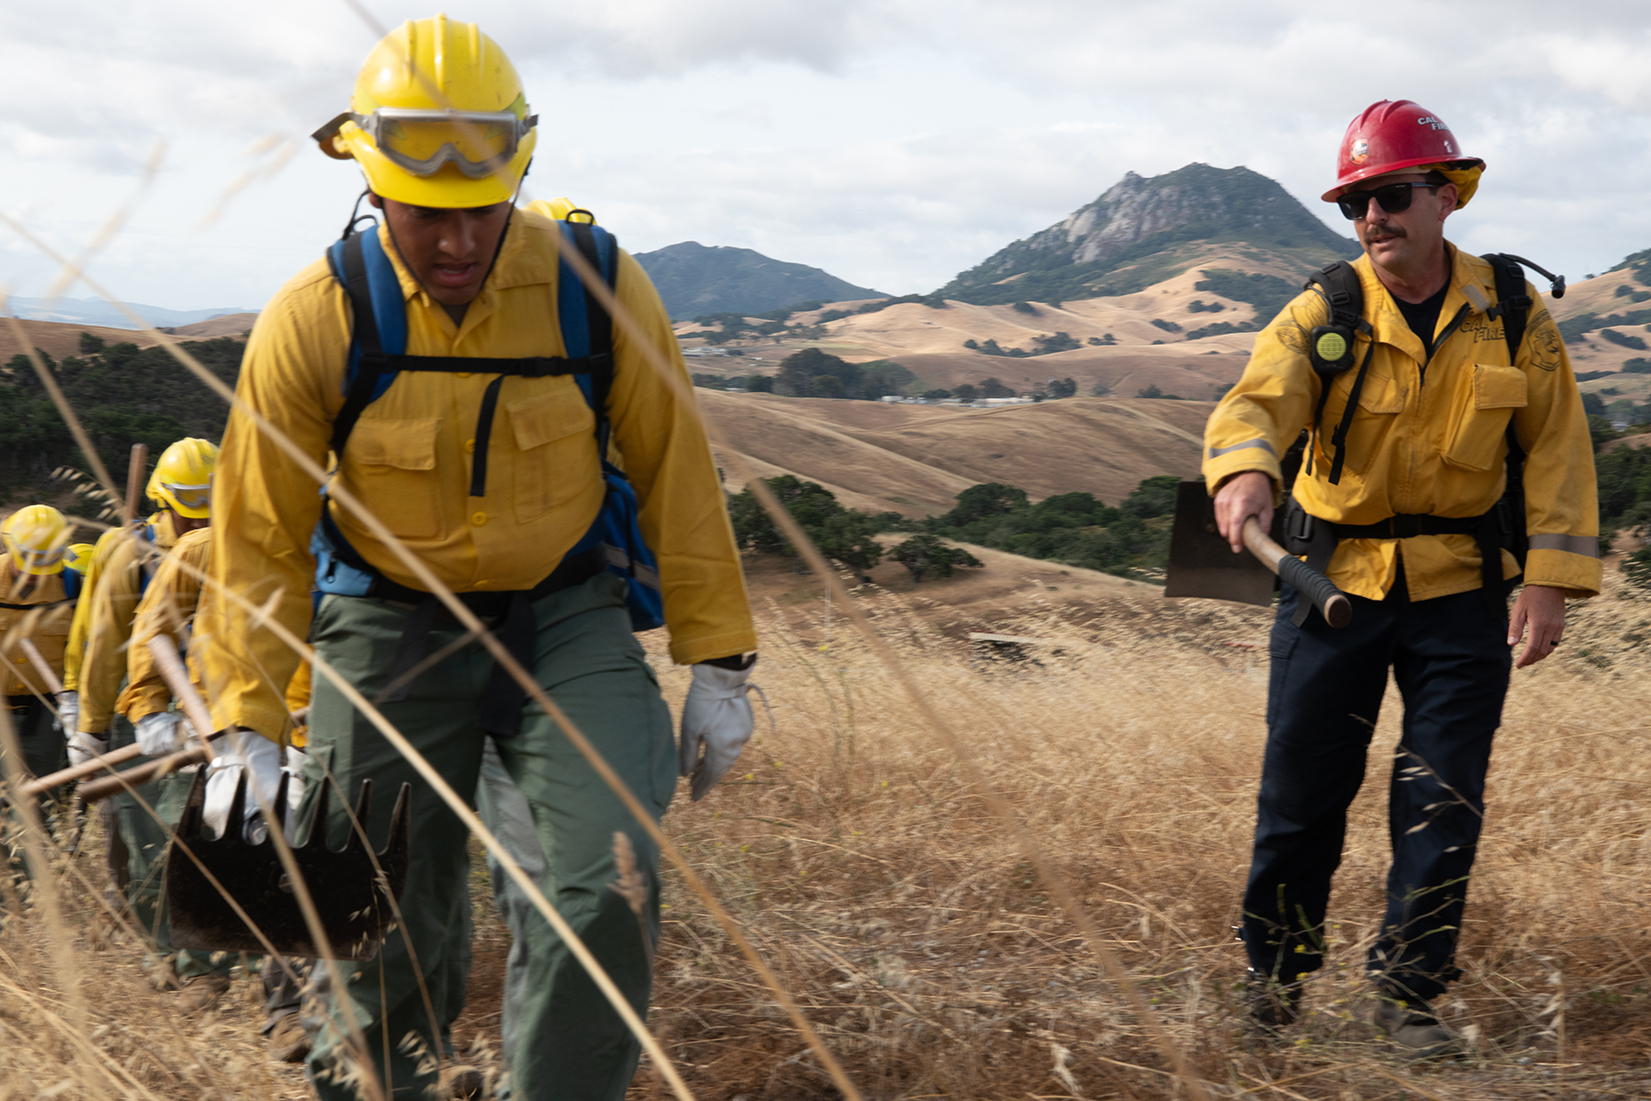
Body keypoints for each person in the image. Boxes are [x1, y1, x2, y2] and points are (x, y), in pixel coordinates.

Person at [197, 15, 760, 1099]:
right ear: (371, 188)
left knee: (607, 880)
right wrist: (243, 722)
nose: (457, 244)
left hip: (564, 620)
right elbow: (257, 530)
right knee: (373, 906)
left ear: (518, 180)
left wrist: (721, 659)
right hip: (386, 626)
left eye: (482, 212)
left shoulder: (597, 285)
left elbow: (676, 467)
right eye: (427, 215)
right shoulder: (316, 316)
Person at [1202, 100, 1599, 1054]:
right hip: (1327, 586)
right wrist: (1244, 468)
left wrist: (1547, 580)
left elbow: (1556, 447)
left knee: (1442, 797)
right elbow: (1256, 401)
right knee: (1301, 795)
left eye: (1388, 195)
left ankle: (1406, 999)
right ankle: (1274, 983)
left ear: (1445, 195)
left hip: (1462, 590)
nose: (1371, 217)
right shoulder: (1325, 309)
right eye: (1355, 203)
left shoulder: (1511, 312)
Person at [63, 436, 235, 1010]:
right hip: (140, 714)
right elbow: (105, 645)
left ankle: (203, 966)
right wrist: (89, 728)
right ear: (165, 502)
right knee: (145, 849)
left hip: (211, 713)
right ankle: (162, 951)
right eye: (191, 508)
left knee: (204, 840)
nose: (201, 520)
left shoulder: (228, 546)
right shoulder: (130, 555)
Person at [0, 505, 79, 806]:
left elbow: (84, 652)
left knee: (41, 804)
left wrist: (76, 699)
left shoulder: (74, 589)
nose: (35, 572)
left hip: (46, 717)